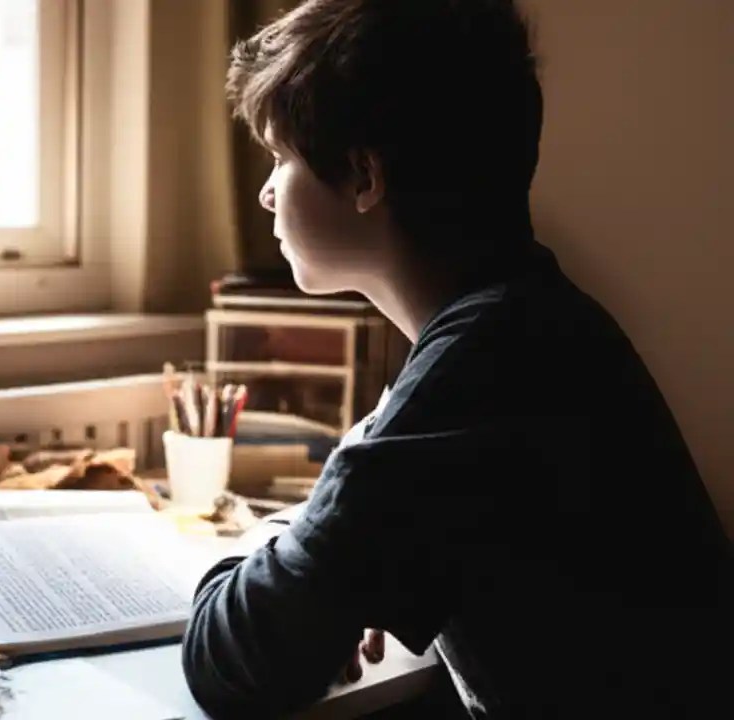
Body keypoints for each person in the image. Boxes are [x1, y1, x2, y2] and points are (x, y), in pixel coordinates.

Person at [181, 1, 734, 717]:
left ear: (363, 177)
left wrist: (267, 539)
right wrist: (350, 558)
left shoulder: (484, 364)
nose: (263, 190)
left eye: (281, 157)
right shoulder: (534, 323)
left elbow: (231, 663)